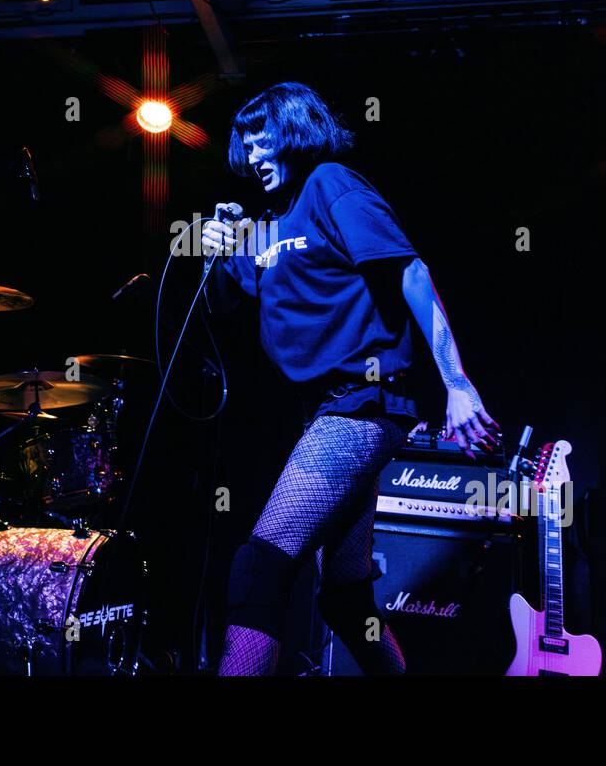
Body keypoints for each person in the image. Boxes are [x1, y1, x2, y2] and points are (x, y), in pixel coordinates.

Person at [202, 82, 496, 676]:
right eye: (245, 146)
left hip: (364, 404)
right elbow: (224, 308)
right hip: (326, 413)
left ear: (295, 133)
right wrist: (216, 251)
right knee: (344, 596)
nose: (253, 157)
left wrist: (458, 384)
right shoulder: (264, 224)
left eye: (264, 142)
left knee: (259, 567)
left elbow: (411, 272)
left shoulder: (331, 184)